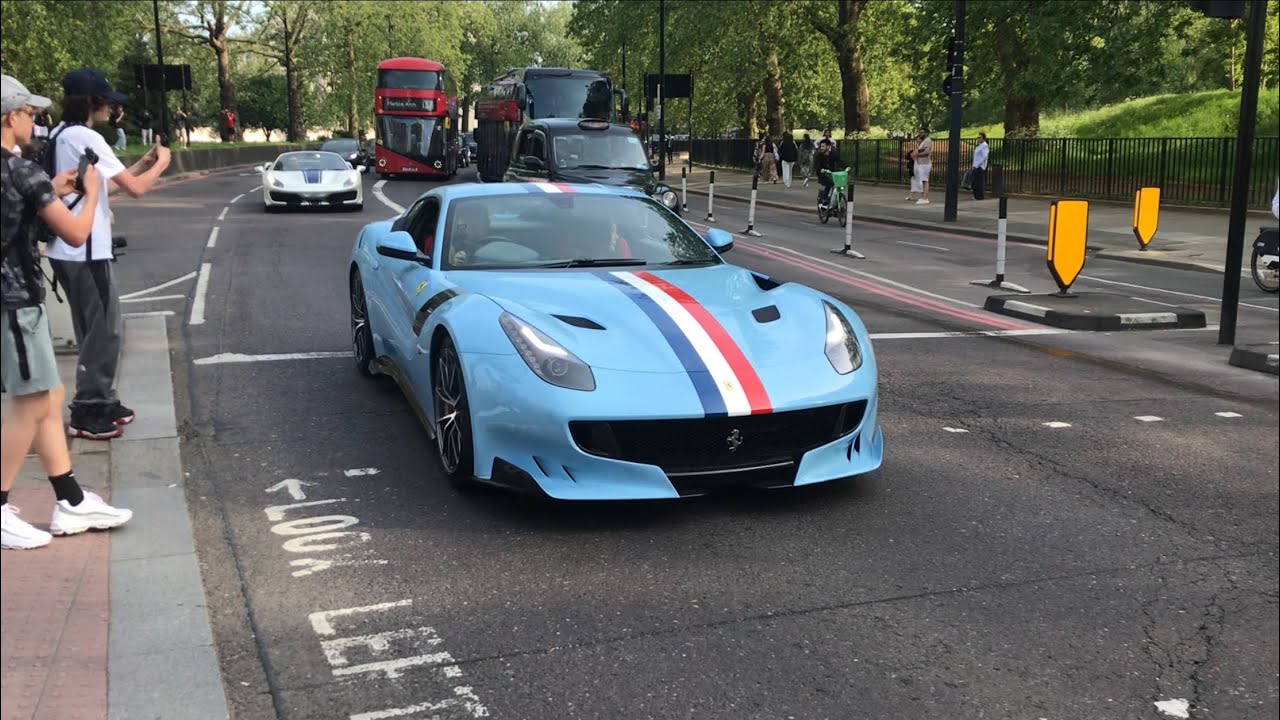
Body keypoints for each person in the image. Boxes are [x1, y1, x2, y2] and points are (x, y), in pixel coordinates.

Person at [1, 75, 133, 550]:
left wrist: (52, 187)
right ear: (9, 117)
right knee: (32, 401)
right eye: (29, 113)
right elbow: (75, 232)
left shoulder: (20, 174)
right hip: (15, 300)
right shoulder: (21, 172)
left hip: (18, 299)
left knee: (51, 395)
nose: (35, 121)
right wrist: (91, 192)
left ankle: (71, 499)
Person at [45, 68, 171, 440]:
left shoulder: (60, 134)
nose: (111, 108)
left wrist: (143, 164)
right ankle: (90, 410)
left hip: (65, 248)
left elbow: (101, 188)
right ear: (93, 102)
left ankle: (103, 398)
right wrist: (163, 163)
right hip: (86, 249)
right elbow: (135, 190)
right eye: (107, 101)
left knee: (91, 329)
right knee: (104, 331)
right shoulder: (87, 136)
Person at [814, 140, 842, 208]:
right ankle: (824, 198)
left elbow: (839, 161)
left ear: (828, 146)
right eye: (821, 146)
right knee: (829, 183)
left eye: (823, 146)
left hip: (832, 174)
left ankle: (836, 203)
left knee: (839, 185)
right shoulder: (819, 156)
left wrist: (846, 167)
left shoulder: (833, 154)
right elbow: (817, 165)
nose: (821, 148)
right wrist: (821, 169)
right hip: (823, 175)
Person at [912, 127, 932, 205]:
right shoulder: (923, 142)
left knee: (925, 180)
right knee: (922, 180)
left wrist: (917, 154)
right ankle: (923, 196)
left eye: (922, 132)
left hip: (925, 163)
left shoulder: (928, 140)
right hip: (921, 163)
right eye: (920, 132)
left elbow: (927, 152)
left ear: (926, 133)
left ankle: (925, 198)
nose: (920, 134)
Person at [971, 132, 989, 200]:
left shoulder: (984, 146)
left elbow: (984, 156)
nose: (978, 139)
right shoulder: (979, 146)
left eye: (980, 137)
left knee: (979, 182)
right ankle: (976, 195)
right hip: (976, 166)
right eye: (978, 138)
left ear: (983, 139)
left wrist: (977, 165)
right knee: (975, 182)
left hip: (980, 166)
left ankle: (979, 196)